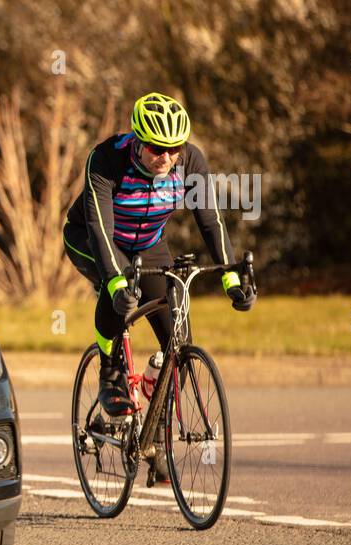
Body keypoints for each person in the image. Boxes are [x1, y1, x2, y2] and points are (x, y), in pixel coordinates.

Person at [63, 92, 255, 481]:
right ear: (136, 139)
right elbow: (100, 229)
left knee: (178, 339)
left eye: (174, 148)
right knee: (115, 293)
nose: (166, 157)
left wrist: (231, 276)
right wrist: (116, 282)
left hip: (148, 245)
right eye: (156, 148)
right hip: (92, 238)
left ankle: (152, 435)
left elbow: (210, 222)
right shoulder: (106, 160)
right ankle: (110, 370)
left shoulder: (190, 161)